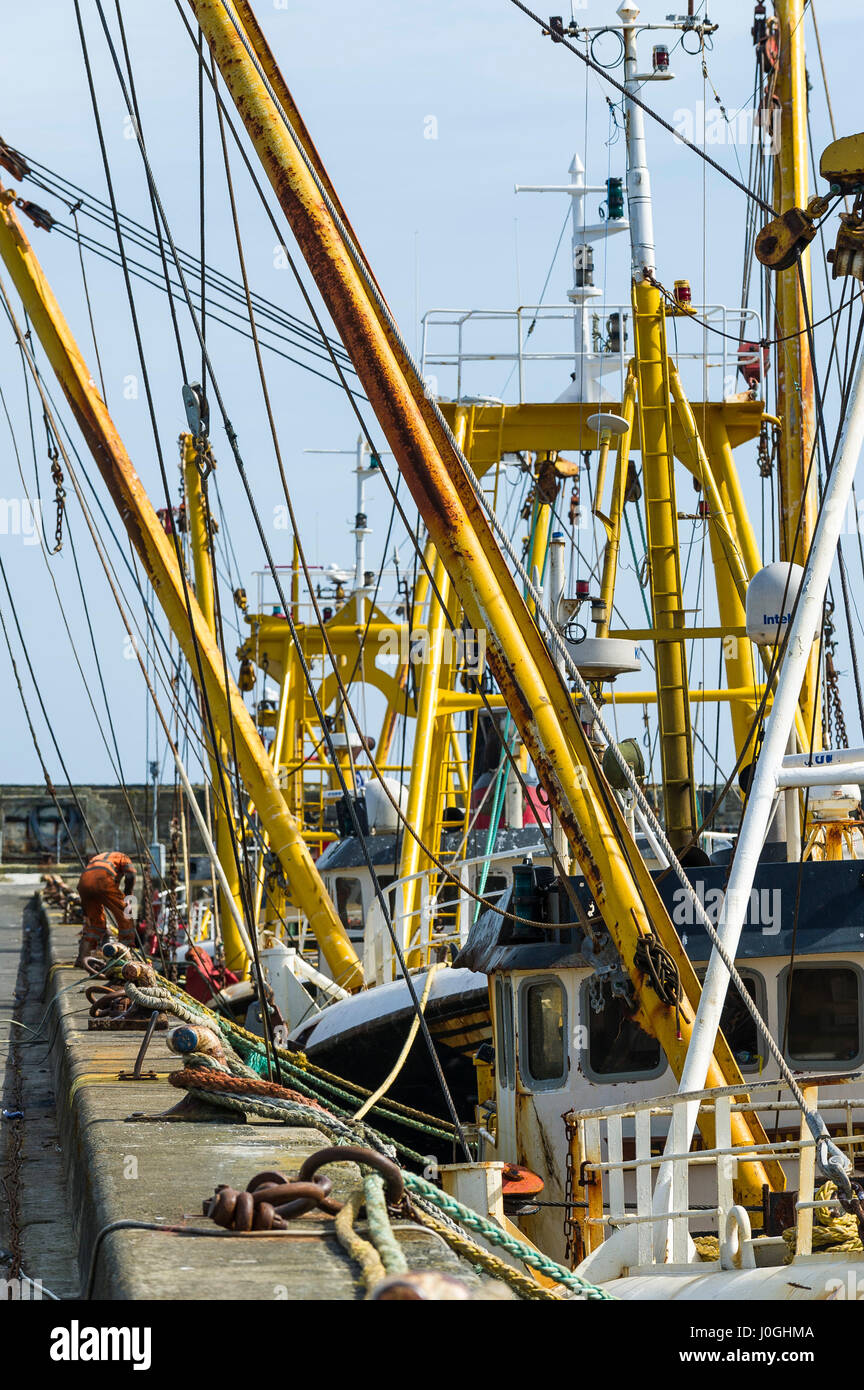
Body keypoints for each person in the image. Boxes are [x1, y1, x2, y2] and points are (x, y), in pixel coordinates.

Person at [75, 850, 137, 966]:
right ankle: (124, 960)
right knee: (126, 918)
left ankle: (82, 958)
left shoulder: (100, 858)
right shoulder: (123, 857)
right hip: (103, 882)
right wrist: (128, 893)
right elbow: (131, 874)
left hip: (83, 885)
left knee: (95, 925)